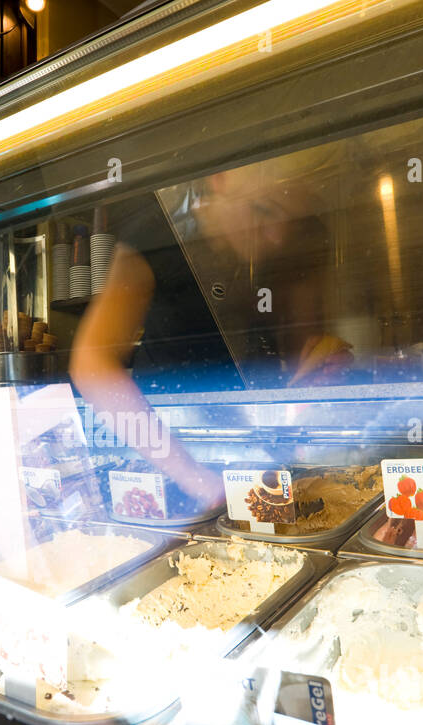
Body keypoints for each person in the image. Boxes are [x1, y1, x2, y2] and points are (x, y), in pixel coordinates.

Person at [69, 148, 350, 509]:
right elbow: (92, 367)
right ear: (220, 179)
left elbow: (291, 368)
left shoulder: (269, 252)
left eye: (288, 223)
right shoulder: (159, 237)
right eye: (261, 210)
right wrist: (198, 480)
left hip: (249, 458)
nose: (276, 238)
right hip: (175, 467)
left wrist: (314, 372)